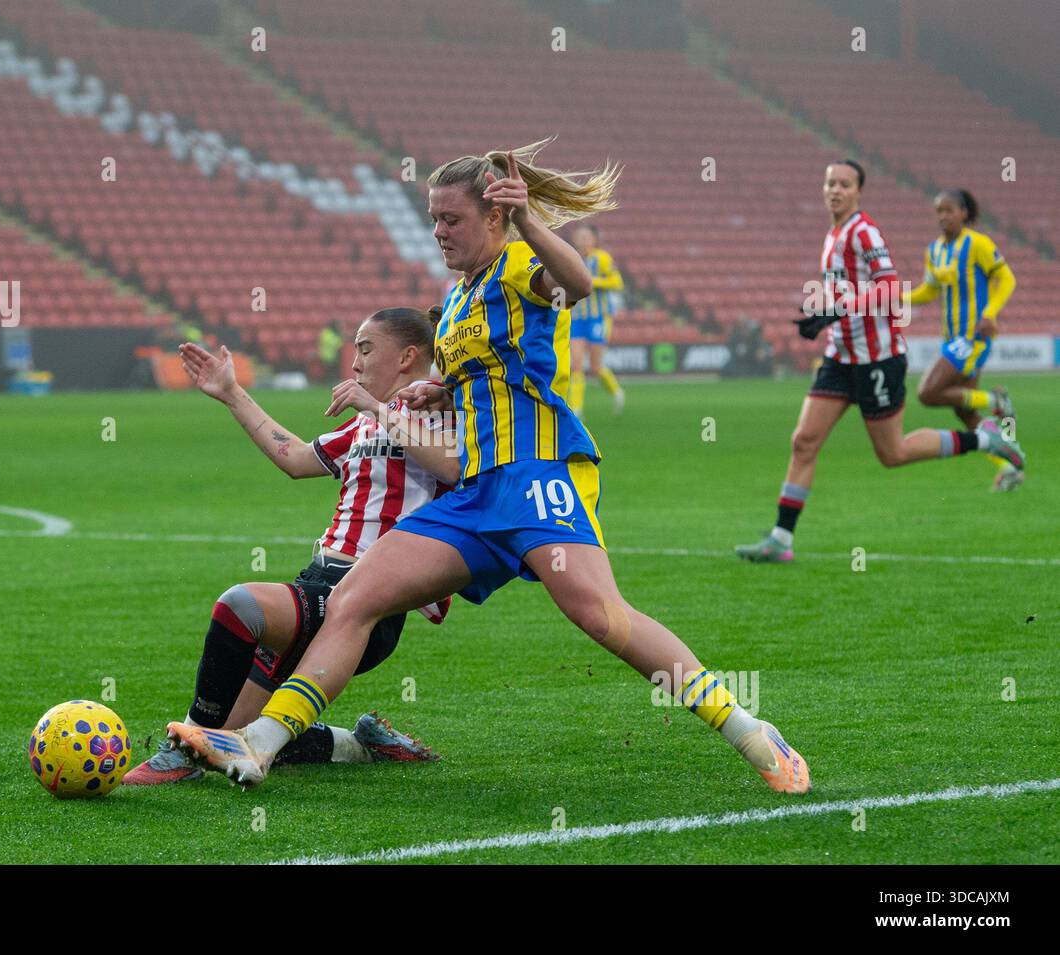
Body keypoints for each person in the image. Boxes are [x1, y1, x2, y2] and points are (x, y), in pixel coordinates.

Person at [173, 139, 812, 794]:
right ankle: (259, 742)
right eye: (433, 218)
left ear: (494, 217)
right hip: (473, 492)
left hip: (535, 476)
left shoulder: (518, 266)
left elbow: (577, 284)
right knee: (353, 600)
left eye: (450, 219)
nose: (438, 231)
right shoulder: (456, 296)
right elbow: (482, 369)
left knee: (601, 619)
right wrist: (438, 389)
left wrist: (532, 220)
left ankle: (749, 729)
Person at [123, 308, 456, 784]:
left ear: (406, 357)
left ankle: (186, 740)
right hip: (317, 580)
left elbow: (451, 468)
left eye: (366, 349)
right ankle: (361, 744)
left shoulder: (440, 412)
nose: (355, 363)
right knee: (237, 734)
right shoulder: (364, 424)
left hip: (369, 597)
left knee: (241, 606)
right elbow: (297, 458)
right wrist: (232, 394)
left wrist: (376, 406)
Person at [735, 161, 1025, 563]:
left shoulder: (864, 231)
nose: (835, 189)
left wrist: (840, 309)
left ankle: (986, 439)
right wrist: (825, 314)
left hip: (878, 358)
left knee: (893, 454)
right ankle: (781, 539)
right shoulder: (832, 234)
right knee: (804, 441)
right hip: (841, 357)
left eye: (844, 184)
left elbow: (888, 289)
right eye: (830, 183)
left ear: (858, 192)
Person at [905, 189, 1021, 492]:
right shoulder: (935, 250)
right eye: (938, 211)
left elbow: (1007, 278)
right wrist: (894, 298)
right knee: (965, 411)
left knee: (928, 392)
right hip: (953, 338)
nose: (942, 216)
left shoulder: (978, 243)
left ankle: (996, 400)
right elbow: (928, 292)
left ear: (964, 213)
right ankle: (1009, 468)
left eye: (949, 210)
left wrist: (991, 313)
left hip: (973, 336)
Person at [567, 222, 625, 416]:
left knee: (595, 366)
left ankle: (616, 392)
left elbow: (617, 282)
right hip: (577, 319)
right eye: (579, 236)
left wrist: (592, 282)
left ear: (594, 239)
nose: (582, 240)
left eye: (586, 237)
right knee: (575, 365)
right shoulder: (570, 258)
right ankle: (576, 409)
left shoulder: (602, 259)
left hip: (597, 318)